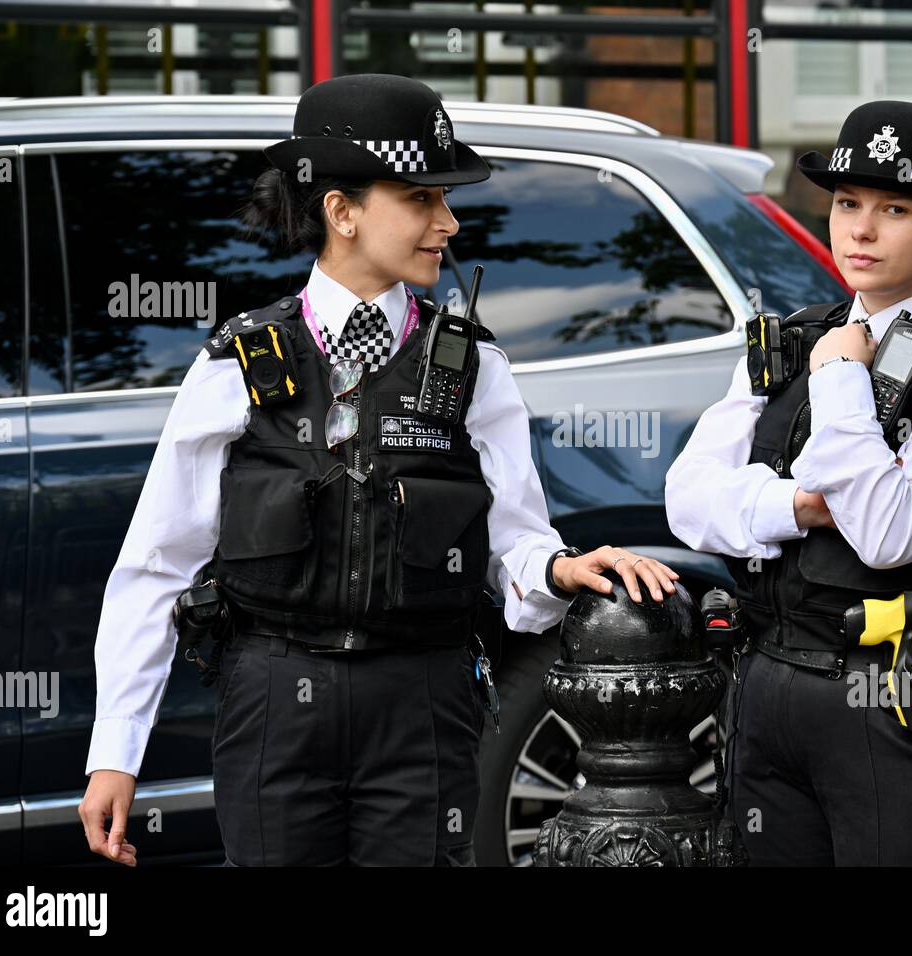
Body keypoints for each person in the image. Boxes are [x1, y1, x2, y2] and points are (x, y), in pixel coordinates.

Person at [78, 73, 679, 867]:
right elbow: (158, 562)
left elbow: (514, 544)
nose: (448, 221)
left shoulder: (474, 368)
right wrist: (115, 750)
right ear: (343, 211)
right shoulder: (239, 366)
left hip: (423, 705)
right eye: (422, 199)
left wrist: (564, 570)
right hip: (272, 703)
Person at [666, 100, 912, 866]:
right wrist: (797, 506)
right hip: (765, 686)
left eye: (894, 208)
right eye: (846, 204)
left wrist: (838, 379)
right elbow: (690, 498)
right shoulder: (792, 339)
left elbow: (887, 533)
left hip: (898, 695)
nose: (860, 230)